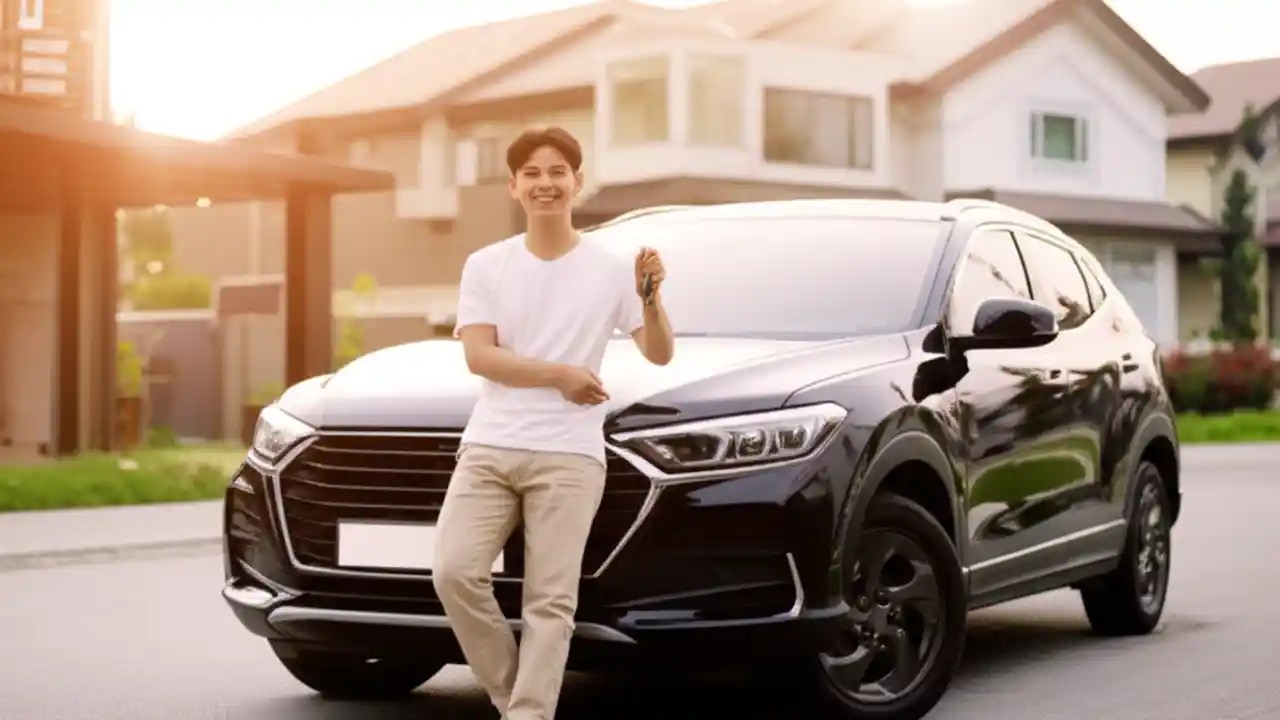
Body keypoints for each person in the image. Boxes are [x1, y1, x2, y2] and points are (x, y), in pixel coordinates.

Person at [432, 125, 675, 720]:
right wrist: (559, 375)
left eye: (558, 172)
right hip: (490, 445)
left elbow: (659, 352)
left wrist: (650, 298)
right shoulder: (487, 264)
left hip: (569, 455)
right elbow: (479, 356)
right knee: (453, 572)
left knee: (550, 602)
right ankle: (514, 697)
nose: (546, 183)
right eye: (533, 173)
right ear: (514, 185)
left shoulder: (610, 268)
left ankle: (529, 714)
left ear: (577, 181)